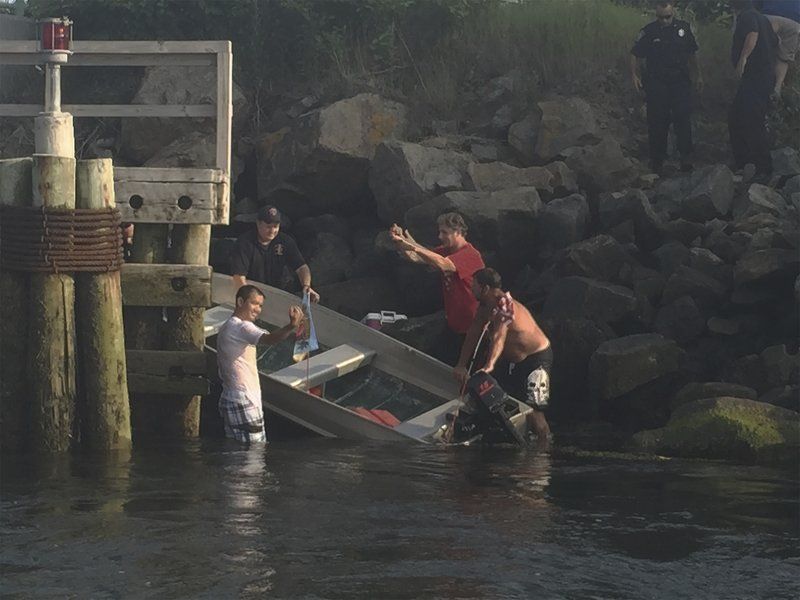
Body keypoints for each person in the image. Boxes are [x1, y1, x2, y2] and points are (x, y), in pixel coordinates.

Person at [455, 268, 553, 444]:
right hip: (512, 360)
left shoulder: (505, 304)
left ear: (485, 288)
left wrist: (490, 364)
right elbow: (473, 333)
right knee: (488, 393)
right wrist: (461, 365)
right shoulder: (484, 307)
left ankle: (543, 451)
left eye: (474, 286)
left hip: (535, 357)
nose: (471, 289)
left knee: (534, 411)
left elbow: (500, 336)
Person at [389, 212, 484, 365]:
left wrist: (412, 246)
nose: (440, 236)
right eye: (439, 232)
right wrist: (400, 241)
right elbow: (417, 257)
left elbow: (443, 263)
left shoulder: (470, 255)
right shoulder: (446, 251)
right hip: (453, 324)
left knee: (466, 373)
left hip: (474, 329)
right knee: (436, 365)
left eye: (444, 232)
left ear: (458, 232)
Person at [216, 284, 303, 443]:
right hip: (244, 400)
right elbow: (268, 340)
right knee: (253, 456)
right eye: (254, 303)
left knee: (236, 455)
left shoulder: (228, 327)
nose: (258, 309)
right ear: (240, 302)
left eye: (260, 305)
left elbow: (271, 336)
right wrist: (291, 326)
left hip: (232, 397)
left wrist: (292, 331)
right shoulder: (241, 327)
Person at [630, 0, 702, 175]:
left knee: (682, 119)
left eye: (667, 17)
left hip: (680, 81)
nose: (664, 21)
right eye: (660, 18)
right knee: (657, 122)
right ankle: (657, 161)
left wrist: (699, 75)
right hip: (657, 83)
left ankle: (686, 158)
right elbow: (635, 54)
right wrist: (634, 74)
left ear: (673, 13)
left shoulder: (683, 29)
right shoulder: (649, 31)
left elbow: (692, 54)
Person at [730, 0, 779, 180]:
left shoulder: (747, 15)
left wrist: (743, 59)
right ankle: (745, 163)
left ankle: (763, 168)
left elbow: (752, 34)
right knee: (737, 117)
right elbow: (775, 41)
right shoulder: (763, 18)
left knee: (753, 120)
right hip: (762, 77)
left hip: (755, 78)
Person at [229, 205, 320, 302]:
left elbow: (301, 267)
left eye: (275, 226)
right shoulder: (244, 243)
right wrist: (248, 300)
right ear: (258, 224)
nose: (272, 231)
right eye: (268, 227)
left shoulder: (285, 241)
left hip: (276, 293)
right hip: (251, 293)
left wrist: (306, 286)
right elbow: (238, 277)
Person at [757, 0, 800, 97]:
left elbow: (754, 5)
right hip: (794, 21)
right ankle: (777, 88)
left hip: (770, 16)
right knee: (783, 58)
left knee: (760, 50)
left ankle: (756, 80)